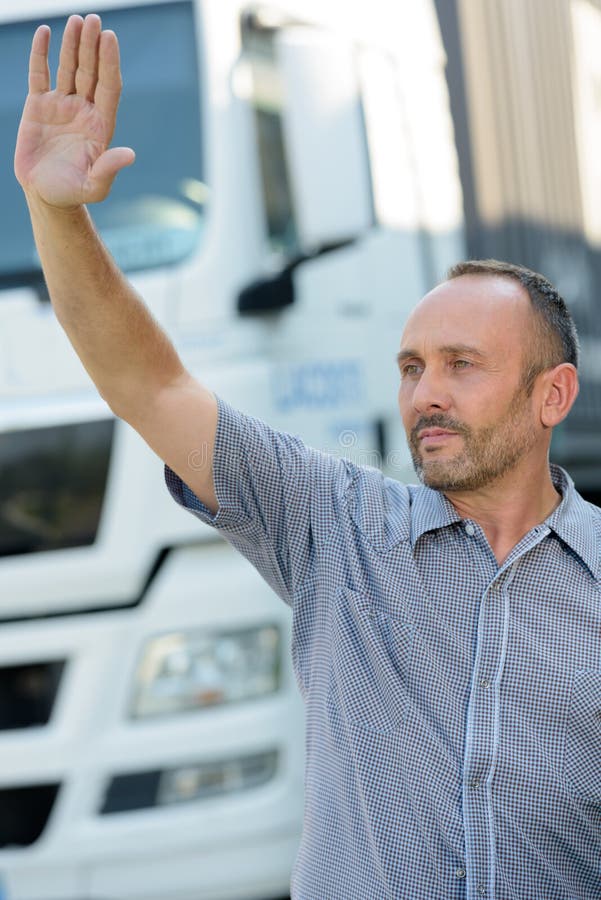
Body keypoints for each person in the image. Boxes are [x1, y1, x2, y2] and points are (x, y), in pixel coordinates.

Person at [15, 14, 601, 900]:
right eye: (410, 368)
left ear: (551, 396)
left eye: (461, 365)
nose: (424, 394)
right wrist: (56, 213)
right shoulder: (333, 526)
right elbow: (151, 386)